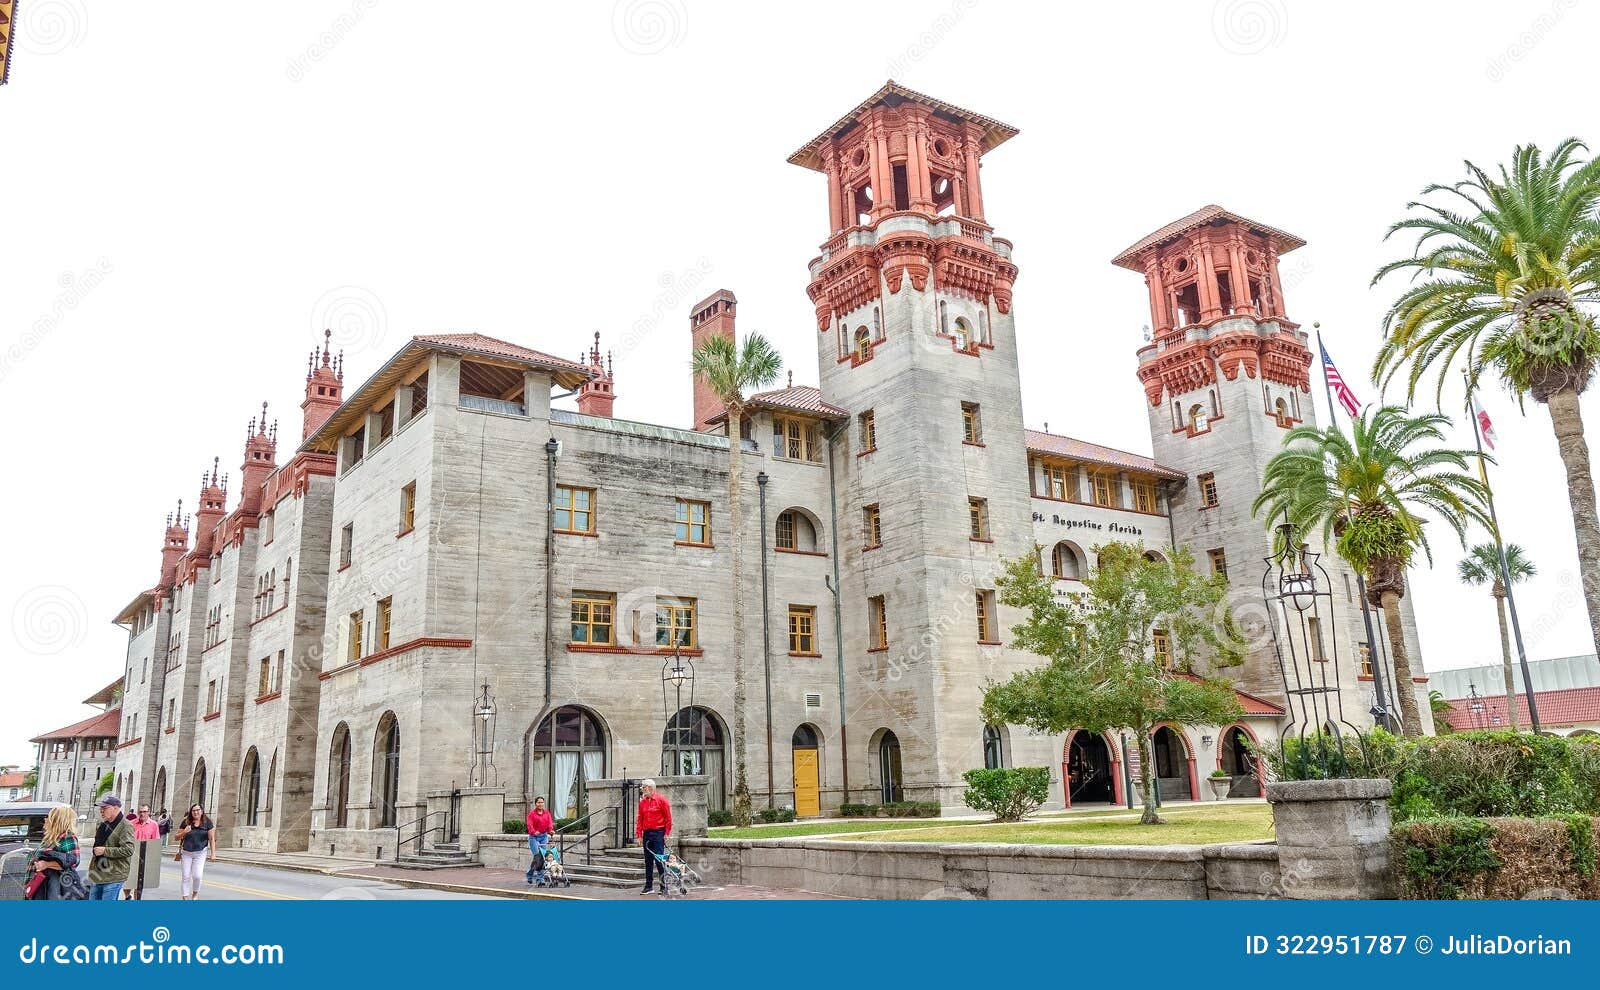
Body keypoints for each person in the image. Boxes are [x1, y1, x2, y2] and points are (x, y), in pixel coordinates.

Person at [27, 806, 81, 900]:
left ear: (56, 820)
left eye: (49, 817)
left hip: (56, 886)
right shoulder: (50, 838)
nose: (46, 819)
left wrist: (46, 864)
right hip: (44, 883)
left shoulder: (67, 837)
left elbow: (74, 861)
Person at [87, 795, 135, 900]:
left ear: (115, 808)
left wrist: (105, 851)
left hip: (113, 876)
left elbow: (128, 850)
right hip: (97, 873)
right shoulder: (103, 825)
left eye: (104, 808)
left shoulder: (126, 826)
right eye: (101, 809)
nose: (101, 811)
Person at [634, 779, 672, 895]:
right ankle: (648, 886)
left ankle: (664, 886)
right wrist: (639, 835)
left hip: (658, 833)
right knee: (648, 860)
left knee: (659, 860)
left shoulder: (661, 800)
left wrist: (666, 833)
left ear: (650, 788)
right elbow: (640, 819)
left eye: (643, 787)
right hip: (647, 833)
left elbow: (668, 819)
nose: (642, 789)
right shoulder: (642, 802)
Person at [172, 803, 216, 900]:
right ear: (191, 812)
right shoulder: (186, 822)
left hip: (200, 853)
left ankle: (195, 894)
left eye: (198, 810)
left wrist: (213, 854)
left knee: (197, 876)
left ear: (202, 811)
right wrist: (184, 832)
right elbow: (176, 837)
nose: (196, 812)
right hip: (186, 853)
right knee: (186, 876)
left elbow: (212, 839)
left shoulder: (207, 822)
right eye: (193, 810)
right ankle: (185, 897)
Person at [123, 804, 161, 899]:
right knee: (127, 882)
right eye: (140, 812)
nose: (142, 814)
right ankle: (127, 896)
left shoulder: (154, 825)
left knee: (139, 883)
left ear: (148, 812)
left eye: (144, 811)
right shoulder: (130, 823)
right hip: (131, 855)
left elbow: (155, 842)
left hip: (144, 857)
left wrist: (152, 859)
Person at [524, 796, 554, 885]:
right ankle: (531, 875)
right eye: (539, 802)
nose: (540, 804)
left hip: (544, 836)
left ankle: (539, 878)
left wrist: (551, 831)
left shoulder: (547, 813)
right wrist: (533, 832)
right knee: (537, 857)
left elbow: (549, 824)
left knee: (542, 857)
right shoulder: (531, 814)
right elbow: (530, 825)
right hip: (534, 837)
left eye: (542, 802)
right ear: (535, 804)